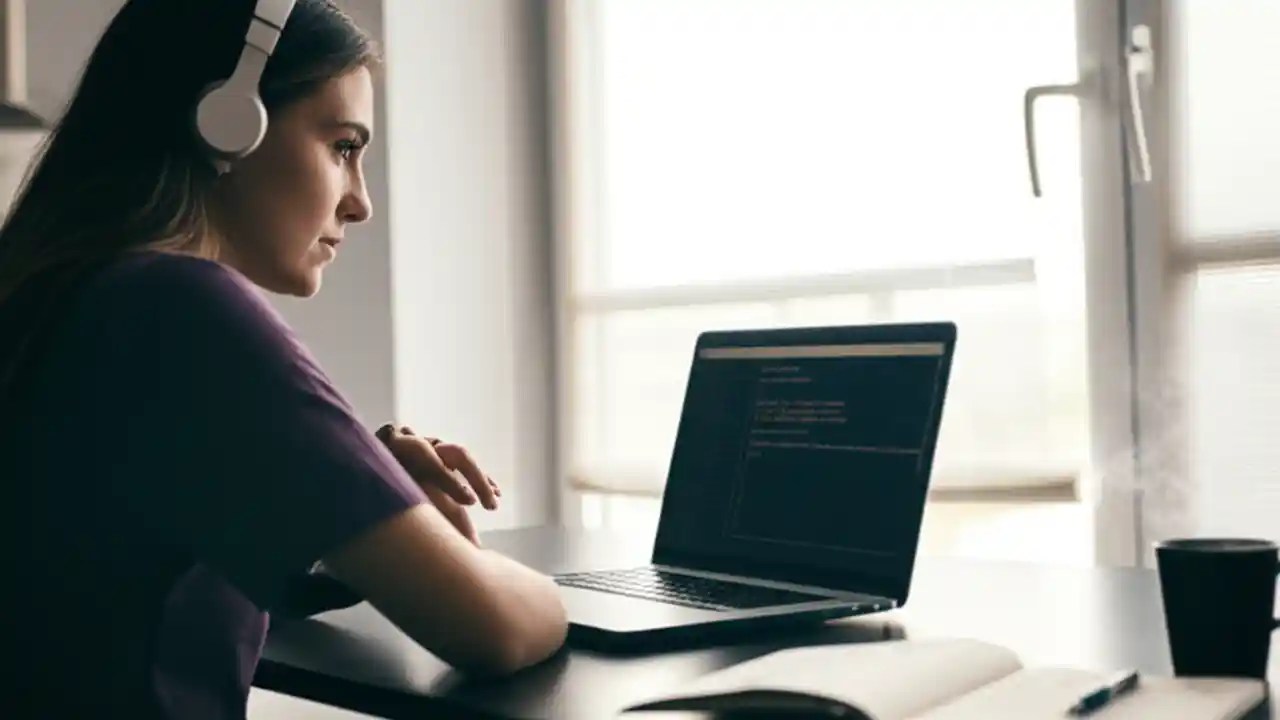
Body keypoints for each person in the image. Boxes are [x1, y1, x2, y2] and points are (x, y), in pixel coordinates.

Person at [0, 1, 567, 717]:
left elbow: (122, 571)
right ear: (229, 120)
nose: (359, 202)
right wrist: (558, 588)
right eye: (342, 147)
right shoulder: (180, 306)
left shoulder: (59, 292)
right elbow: (498, 628)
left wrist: (361, 488)